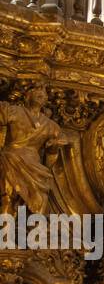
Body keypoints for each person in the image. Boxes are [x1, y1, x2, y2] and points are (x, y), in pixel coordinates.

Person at [0, 85, 63, 216]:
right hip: (11, 159)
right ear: (28, 95)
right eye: (37, 92)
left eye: (44, 94)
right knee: (8, 197)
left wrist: (54, 146)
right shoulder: (13, 111)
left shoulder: (51, 126)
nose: (42, 96)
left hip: (35, 166)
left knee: (40, 201)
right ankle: (6, 234)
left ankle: (33, 233)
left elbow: (51, 156)